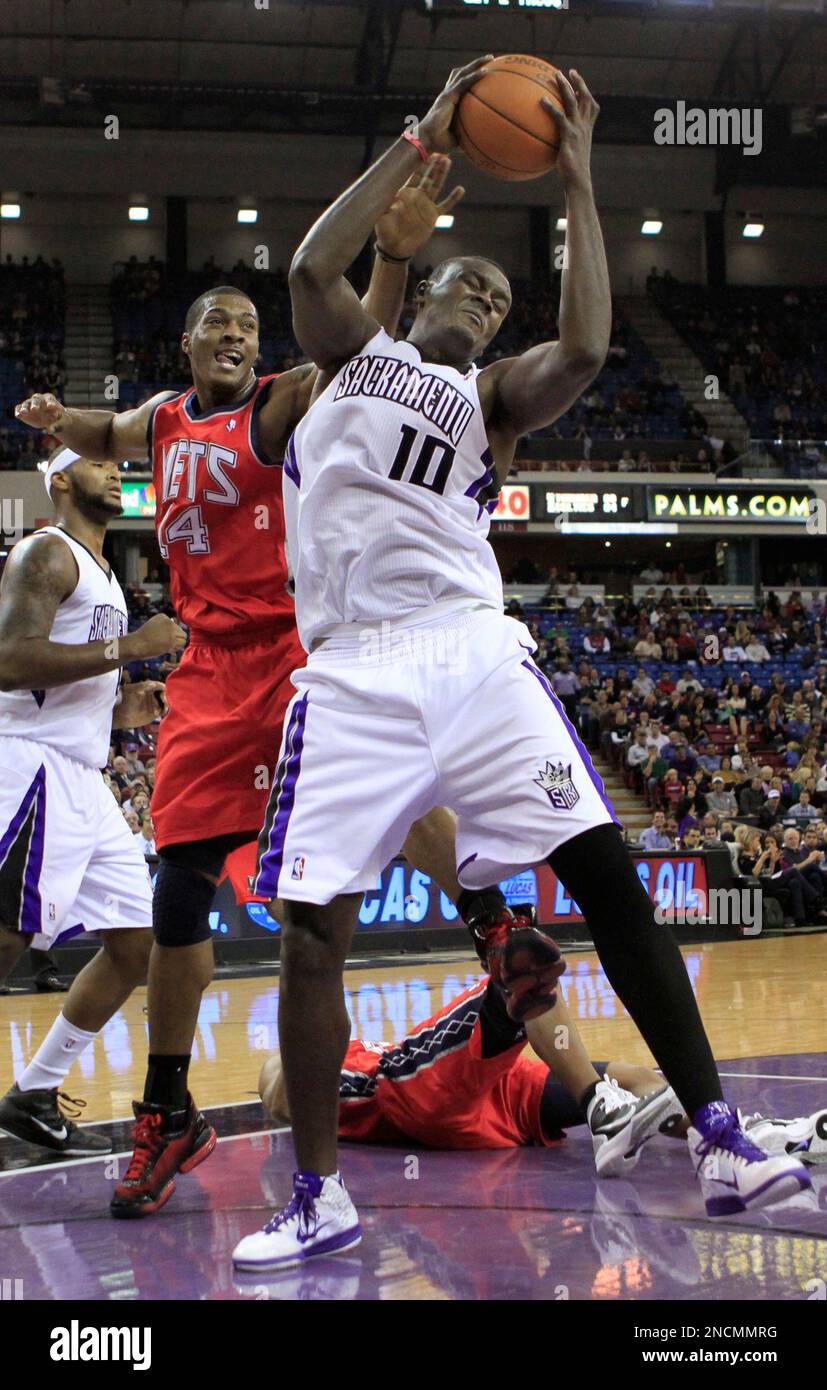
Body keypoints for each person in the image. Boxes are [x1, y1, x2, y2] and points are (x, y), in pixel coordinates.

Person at [231, 60, 810, 1271]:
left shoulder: (487, 401)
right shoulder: (344, 358)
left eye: (502, 299)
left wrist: (582, 181)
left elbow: (589, 347)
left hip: (473, 650)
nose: (488, 306)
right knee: (309, 935)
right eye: (473, 285)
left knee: (607, 879)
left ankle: (715, 1131)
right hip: (348, 672)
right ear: (427, 276)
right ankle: (318, 1195)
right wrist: (420, 137)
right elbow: (305, 272)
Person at [14, 169, 472, 1214]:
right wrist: (58, 418)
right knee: (176, 892)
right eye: (214, 319)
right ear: (184, 344)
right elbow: (104, 433)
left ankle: (491, 923)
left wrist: (390, 258)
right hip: (205, 678)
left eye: (245, 323)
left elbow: (355, 351)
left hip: (287, 654)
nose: (232, 331)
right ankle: (167, 1108)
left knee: (377, 798)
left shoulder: (280, 403)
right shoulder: (165, 421)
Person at [0, 445, 185, 1154]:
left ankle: (35, 1090)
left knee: (139, 942)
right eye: (96, 463)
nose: (114, 471)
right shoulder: (46, 554)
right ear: (60, 480)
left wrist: (119, 710)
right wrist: (132, 648)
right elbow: (11, 662)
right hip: (33, 768)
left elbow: (61, 690)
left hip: (83, 772)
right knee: (7, 934)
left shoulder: (103, 570)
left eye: (117, 463)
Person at [257, 979, 827, 1167]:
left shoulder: (346, 1041)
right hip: (414, 1091)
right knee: (520, 978)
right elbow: (280, 1095)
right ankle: (607, 1113)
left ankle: (752, 1137)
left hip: (498, 1100)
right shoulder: (320, 1066)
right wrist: (293, 1058)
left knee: (633, 1077)